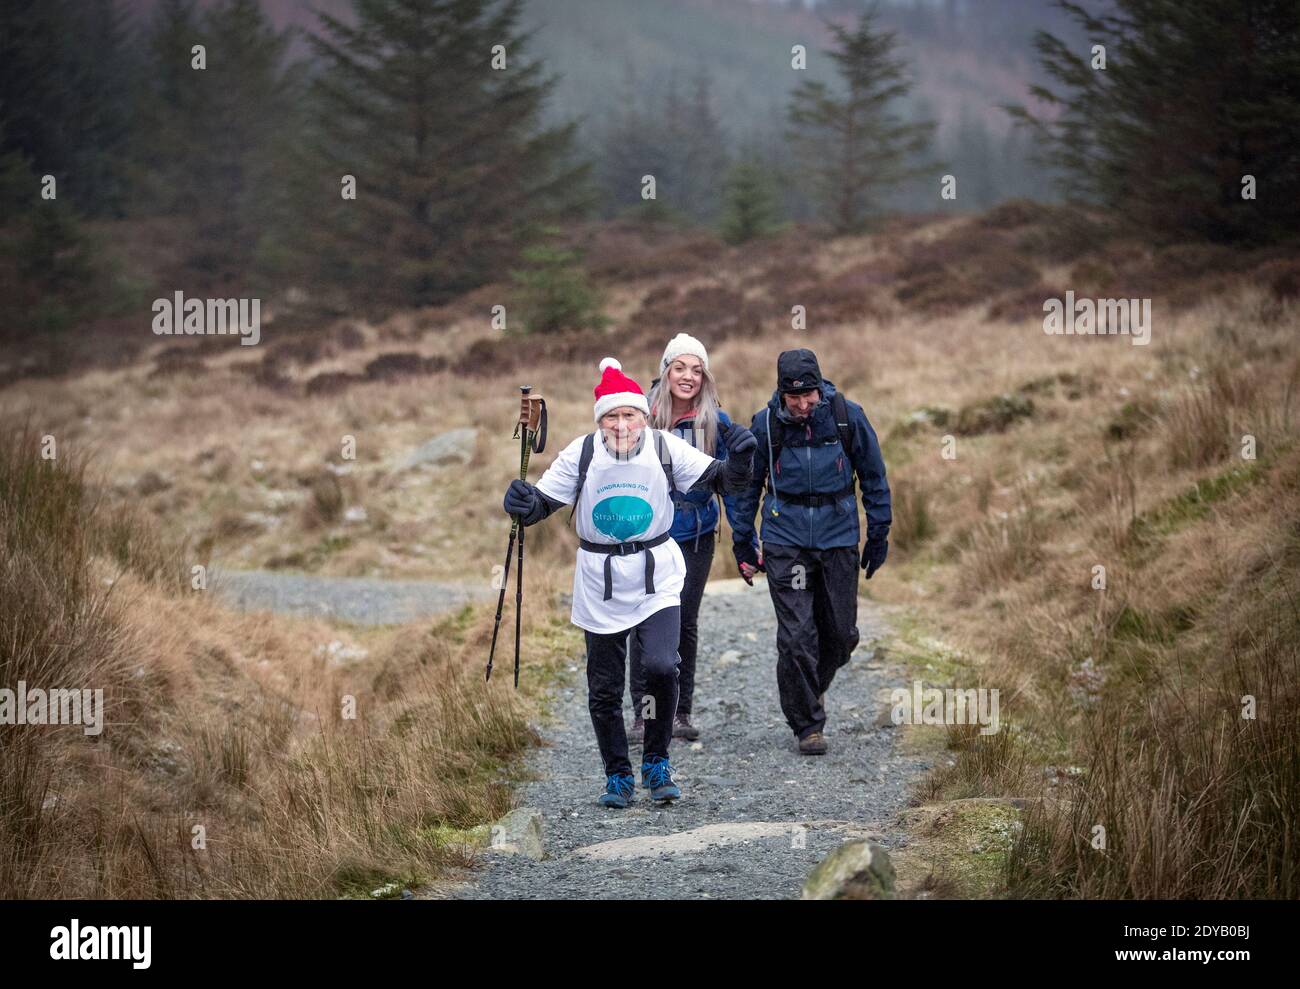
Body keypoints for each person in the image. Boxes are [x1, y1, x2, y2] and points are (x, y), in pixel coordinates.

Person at [503, 357, 756, 807]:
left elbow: (723, 482)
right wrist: (521, 504)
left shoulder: (663, 448)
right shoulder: (581, 453)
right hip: (598, 580)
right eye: (612, 417)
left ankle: (657, 762)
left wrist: (743, 455)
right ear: (601, 420)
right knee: (604, 687)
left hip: (656, 573)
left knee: (661, 665)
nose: (621, 425)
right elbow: (541, 505)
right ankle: (617, 775)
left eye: (630, 415)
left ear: (644, 416)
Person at [731, 348, 891, 756]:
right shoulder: (765, 425)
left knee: (841, 634)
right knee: (797, 635)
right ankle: (807, 724)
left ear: (820, 388)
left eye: (809, 396)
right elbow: (748, 487)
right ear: (781, 393)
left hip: (838, 535)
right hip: (786, 538)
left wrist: (878, 533)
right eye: (794, 398)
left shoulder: (847, 416)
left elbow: (873, 476)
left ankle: (808, 687)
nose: (803, 406)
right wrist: (743, 542)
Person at [627, 333, 750, 743]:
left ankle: (680, 714)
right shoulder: (640, 416)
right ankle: (644, 716)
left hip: (697, 532)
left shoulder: (718, 421)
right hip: (650, 535)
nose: (688, 376)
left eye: (697, 370)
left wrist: (743, 540)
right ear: (665, 370)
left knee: (685, 621)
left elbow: (735, 483)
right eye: (680, 367)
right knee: (643, 618)